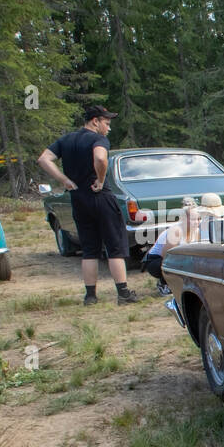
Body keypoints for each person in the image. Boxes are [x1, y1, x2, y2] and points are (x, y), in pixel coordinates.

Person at [36, 105, 140, 305]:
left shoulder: (66, 140)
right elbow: (100, 158)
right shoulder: (98, 139)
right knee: (115, 246)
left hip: (78, 198)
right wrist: (100, 180)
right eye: (106, 123)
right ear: (95, 121)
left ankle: (90, 296)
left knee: (89, 249)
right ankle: (123, 293)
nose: (108, 129)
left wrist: (63, 180)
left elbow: (44, 159)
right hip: (100, 196)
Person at [143, 193, 224, 296]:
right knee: (176, 262)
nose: (197, 222)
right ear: (184, 219)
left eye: (199, 219)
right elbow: (166, 256)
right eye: (193, 219)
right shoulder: (176, 231)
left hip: (176, 259)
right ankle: (164, 283)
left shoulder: (197, 231)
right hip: (155, 261)